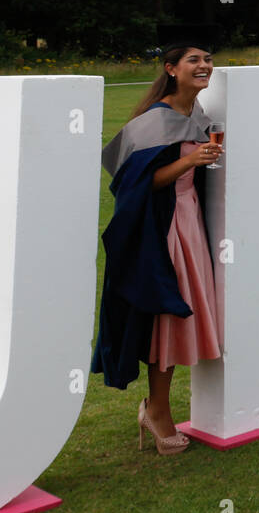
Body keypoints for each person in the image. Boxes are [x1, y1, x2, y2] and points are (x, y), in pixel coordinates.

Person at [92, 34, 224, 455]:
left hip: (191, 224)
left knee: (182, 320)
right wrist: (188, 160)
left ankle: (156, 406)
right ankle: (157, 411)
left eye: (207, 59)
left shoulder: (197, 112)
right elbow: (137, 184)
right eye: (192, 60)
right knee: (165, 318)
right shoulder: (155, 121)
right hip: (164, 228)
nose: (203, 65)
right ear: (171, 69)